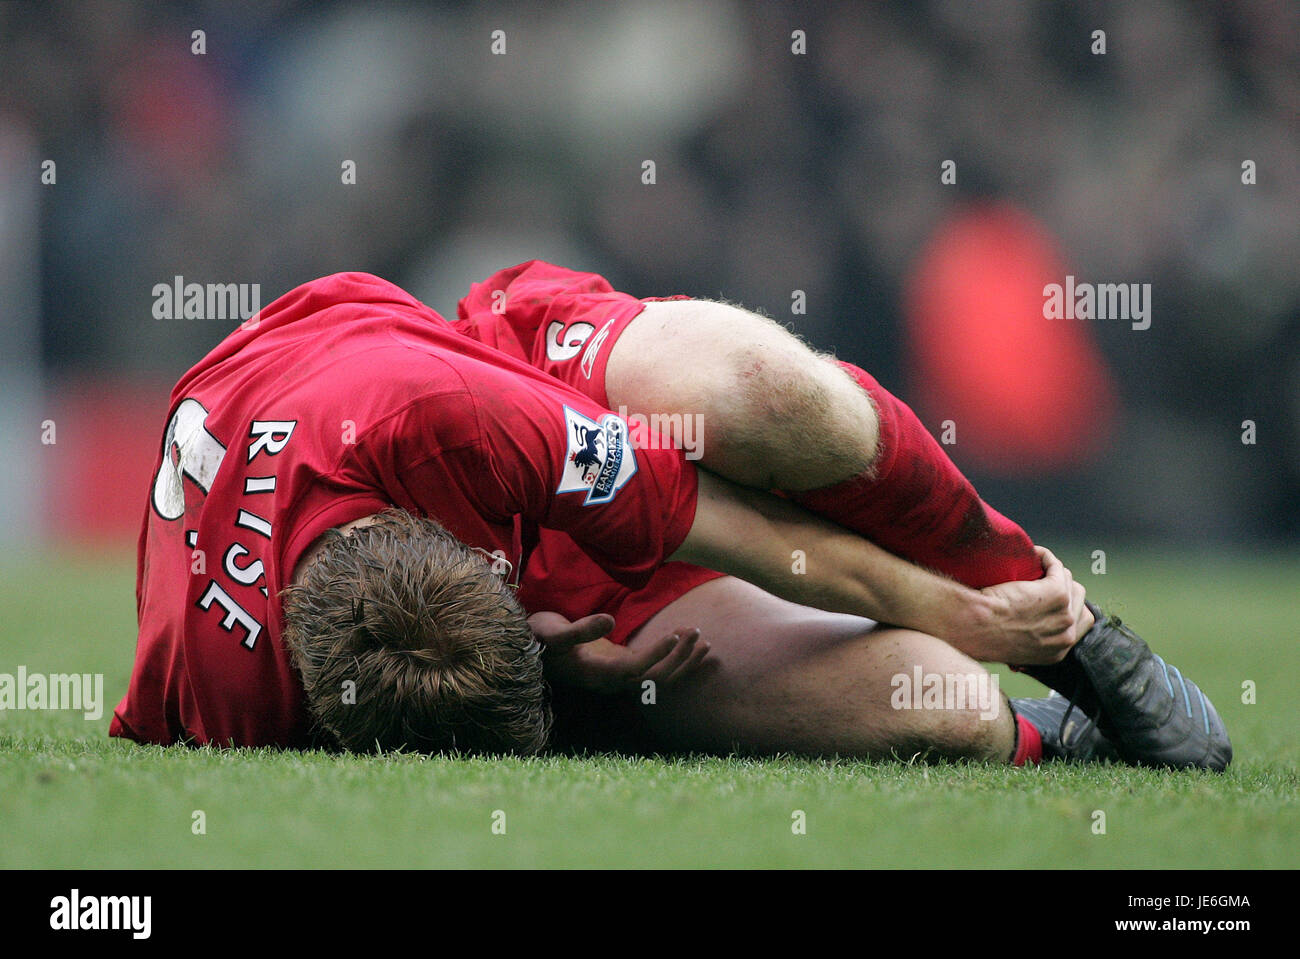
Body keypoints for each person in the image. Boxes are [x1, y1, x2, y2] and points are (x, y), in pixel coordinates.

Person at [110, 264, 1229, 770]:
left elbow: (718, 516)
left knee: (750, 392)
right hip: (530, 595)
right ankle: (1050, 733)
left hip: (520, 364)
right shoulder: (216, 694)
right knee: (943, 711)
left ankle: (1051, 615)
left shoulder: (457, 421)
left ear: (456, 540)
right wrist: (553, 675)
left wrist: (938, 601)